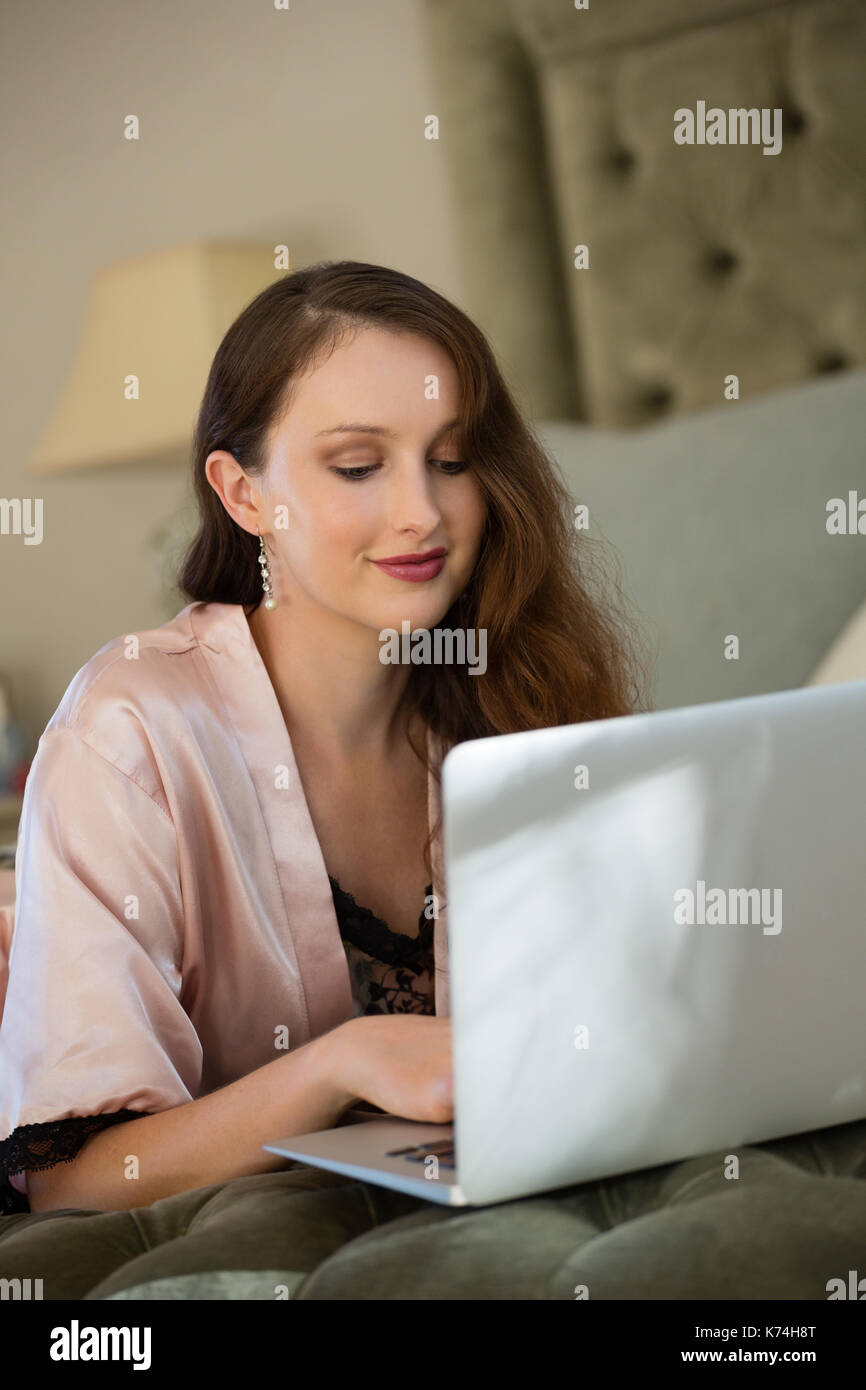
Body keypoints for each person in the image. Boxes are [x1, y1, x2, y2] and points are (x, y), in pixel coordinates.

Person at [0, 260, 648, 1297]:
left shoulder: (521, 692)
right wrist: (334, 1064)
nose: (421, 513)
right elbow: (74, 1178)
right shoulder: (129, 728)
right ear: (243, 491)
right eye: (356, 465)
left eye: (450, 460)